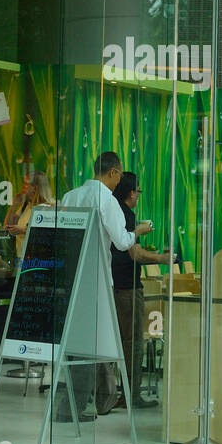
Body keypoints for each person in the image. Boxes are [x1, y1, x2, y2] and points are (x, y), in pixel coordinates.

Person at [56, 152, 165, 422]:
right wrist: (137, 231)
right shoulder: (107, 200)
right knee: (93, 346)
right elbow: (122, 242)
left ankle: (68, 405)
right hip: (96, 282)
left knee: (73, 346)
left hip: (72, 280)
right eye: (119, 176)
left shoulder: (71, 196)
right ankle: (77, 407)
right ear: (114, 172)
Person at [103, 171, 173, 413]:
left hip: (111, 283)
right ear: (132, 193)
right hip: (128, 287)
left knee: (115, 341)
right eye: (138, 191)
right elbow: (135, 253)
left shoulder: (111, 209)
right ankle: (131, 395)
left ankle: (110, 394)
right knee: (133, 342)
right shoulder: (127, 214)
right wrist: (162, 258)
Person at [4, 171, 54, 239]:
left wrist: (22, 230)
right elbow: (8, 226)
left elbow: (45, 232)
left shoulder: (47, 208)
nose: (23, 186)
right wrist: (14, 206)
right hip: (21, 249)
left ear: (35, 188)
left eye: (26, 184)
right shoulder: (27, 205)